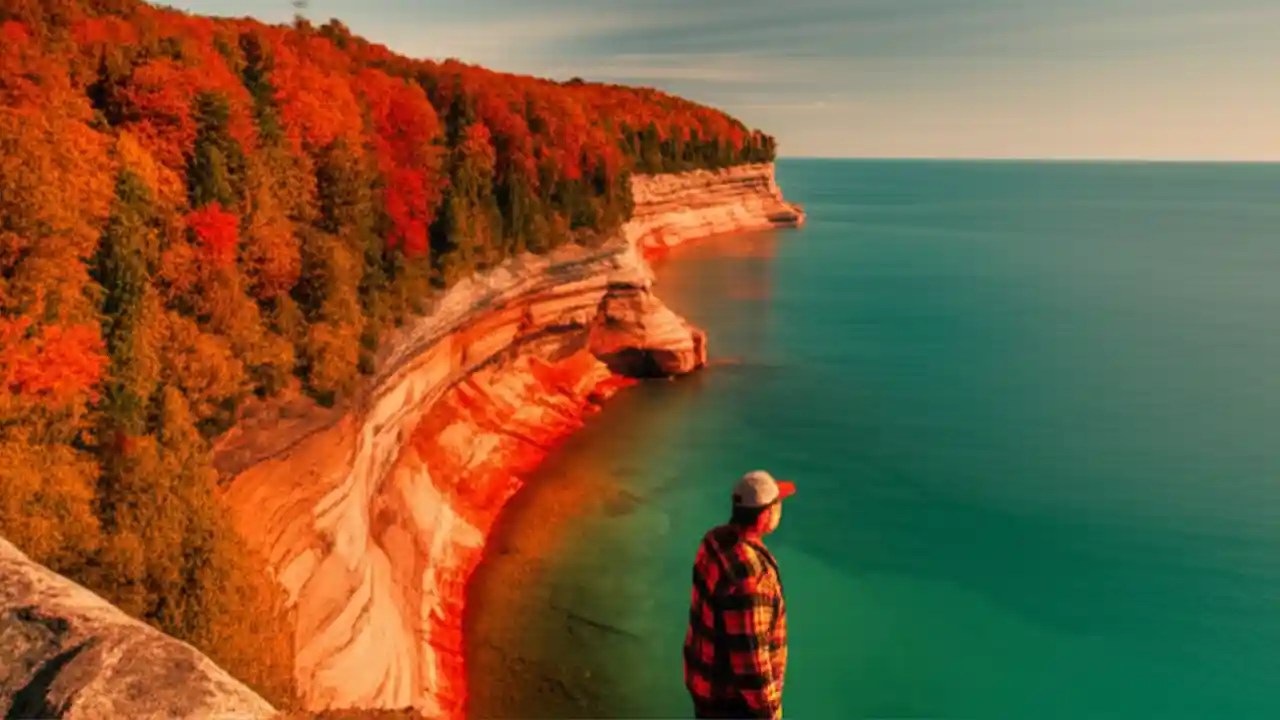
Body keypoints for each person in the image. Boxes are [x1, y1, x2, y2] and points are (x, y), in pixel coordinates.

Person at [683, 469, 795, 719]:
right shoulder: (751, 577)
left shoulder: (714, 541)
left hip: (704, 682)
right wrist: (770, 712)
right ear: (765, 515)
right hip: (734, 704)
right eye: (778, 504)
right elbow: (751, 660)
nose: (780, 510)